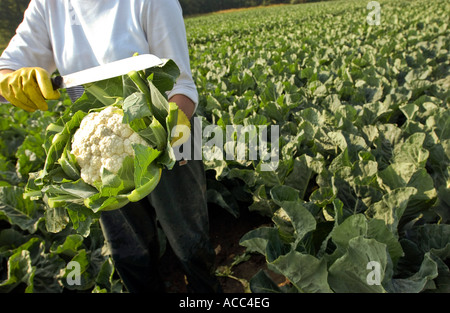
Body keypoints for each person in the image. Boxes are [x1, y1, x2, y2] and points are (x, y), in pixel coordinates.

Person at [0, 0, 222, 293]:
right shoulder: (47, 5)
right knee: (128, 248)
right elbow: (7, 69)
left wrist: (168, 134)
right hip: (100, 160)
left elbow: (181, 87)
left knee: (188, 237)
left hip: (170, 131)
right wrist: (10, 80)